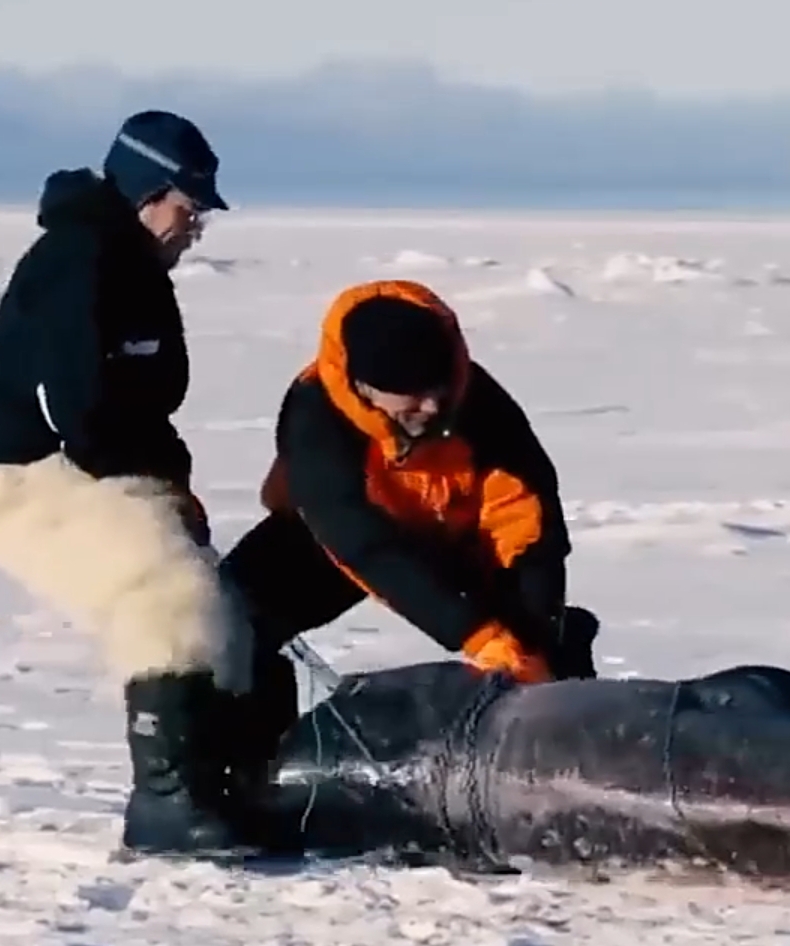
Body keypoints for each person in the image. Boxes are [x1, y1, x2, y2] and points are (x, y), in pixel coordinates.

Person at [0, 110, 254, 858]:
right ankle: (165, 806)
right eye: (189, 208)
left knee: (227, 613)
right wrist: (147, 495)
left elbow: (141, 411)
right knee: (167, 592)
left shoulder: (135, 270)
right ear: (149, 193)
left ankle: (229, 784)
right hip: (21, 479)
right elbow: (75, 406)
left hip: (90, 469)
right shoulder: (78, 258)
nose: (196, 227)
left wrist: (173, 489)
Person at [213, 278, 598, 804]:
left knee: (534, 643)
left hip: (451, 532)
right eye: (412, 397)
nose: (432, 406)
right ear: (364, 387)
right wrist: (475, 633)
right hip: (339, 537)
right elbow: (360, 541)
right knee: (228, 618)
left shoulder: (479, 404)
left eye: (439, 388)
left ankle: (571, 769)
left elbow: (528, 521)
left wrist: (531, 632)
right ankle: (253, 782)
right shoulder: (315, 414)